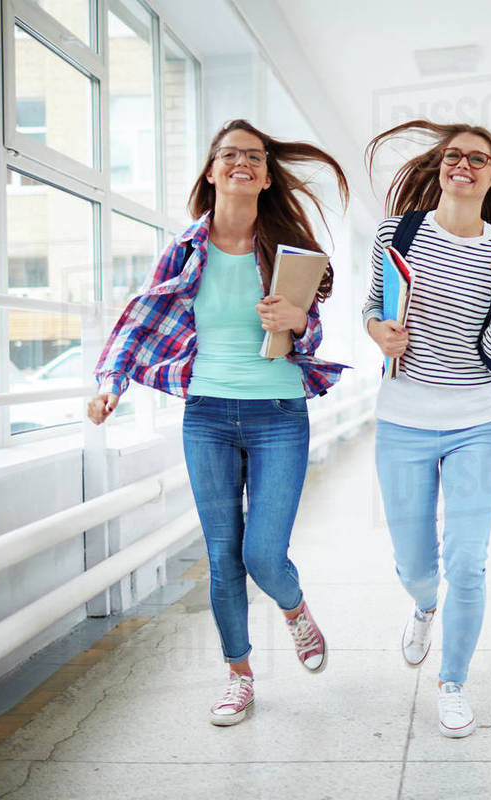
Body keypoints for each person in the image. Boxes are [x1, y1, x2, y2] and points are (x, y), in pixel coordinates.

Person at [87, 119, 349, 727]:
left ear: (265, 176)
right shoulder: (184, 250)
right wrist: (109, 385)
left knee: (263, 554)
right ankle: (238, 676)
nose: (243, 163)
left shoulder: (288, 252)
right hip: (206, 415)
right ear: (211, 172)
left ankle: (294, 606)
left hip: (279, 415)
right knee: (223, 554)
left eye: (254, 157)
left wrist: (296, 318)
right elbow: (139, 320)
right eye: (230, 155)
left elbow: (309, 337)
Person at [361, 120, 491, 738]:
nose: (464, 165)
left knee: (469, 561)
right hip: (402, 419)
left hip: (474, 423)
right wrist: (378, 331)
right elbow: (373, 308)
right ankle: (423, 604)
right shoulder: (396, 233)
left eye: (478, 160)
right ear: (440, 168)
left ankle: (453, 681)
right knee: (415, 566)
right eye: (454, 156)